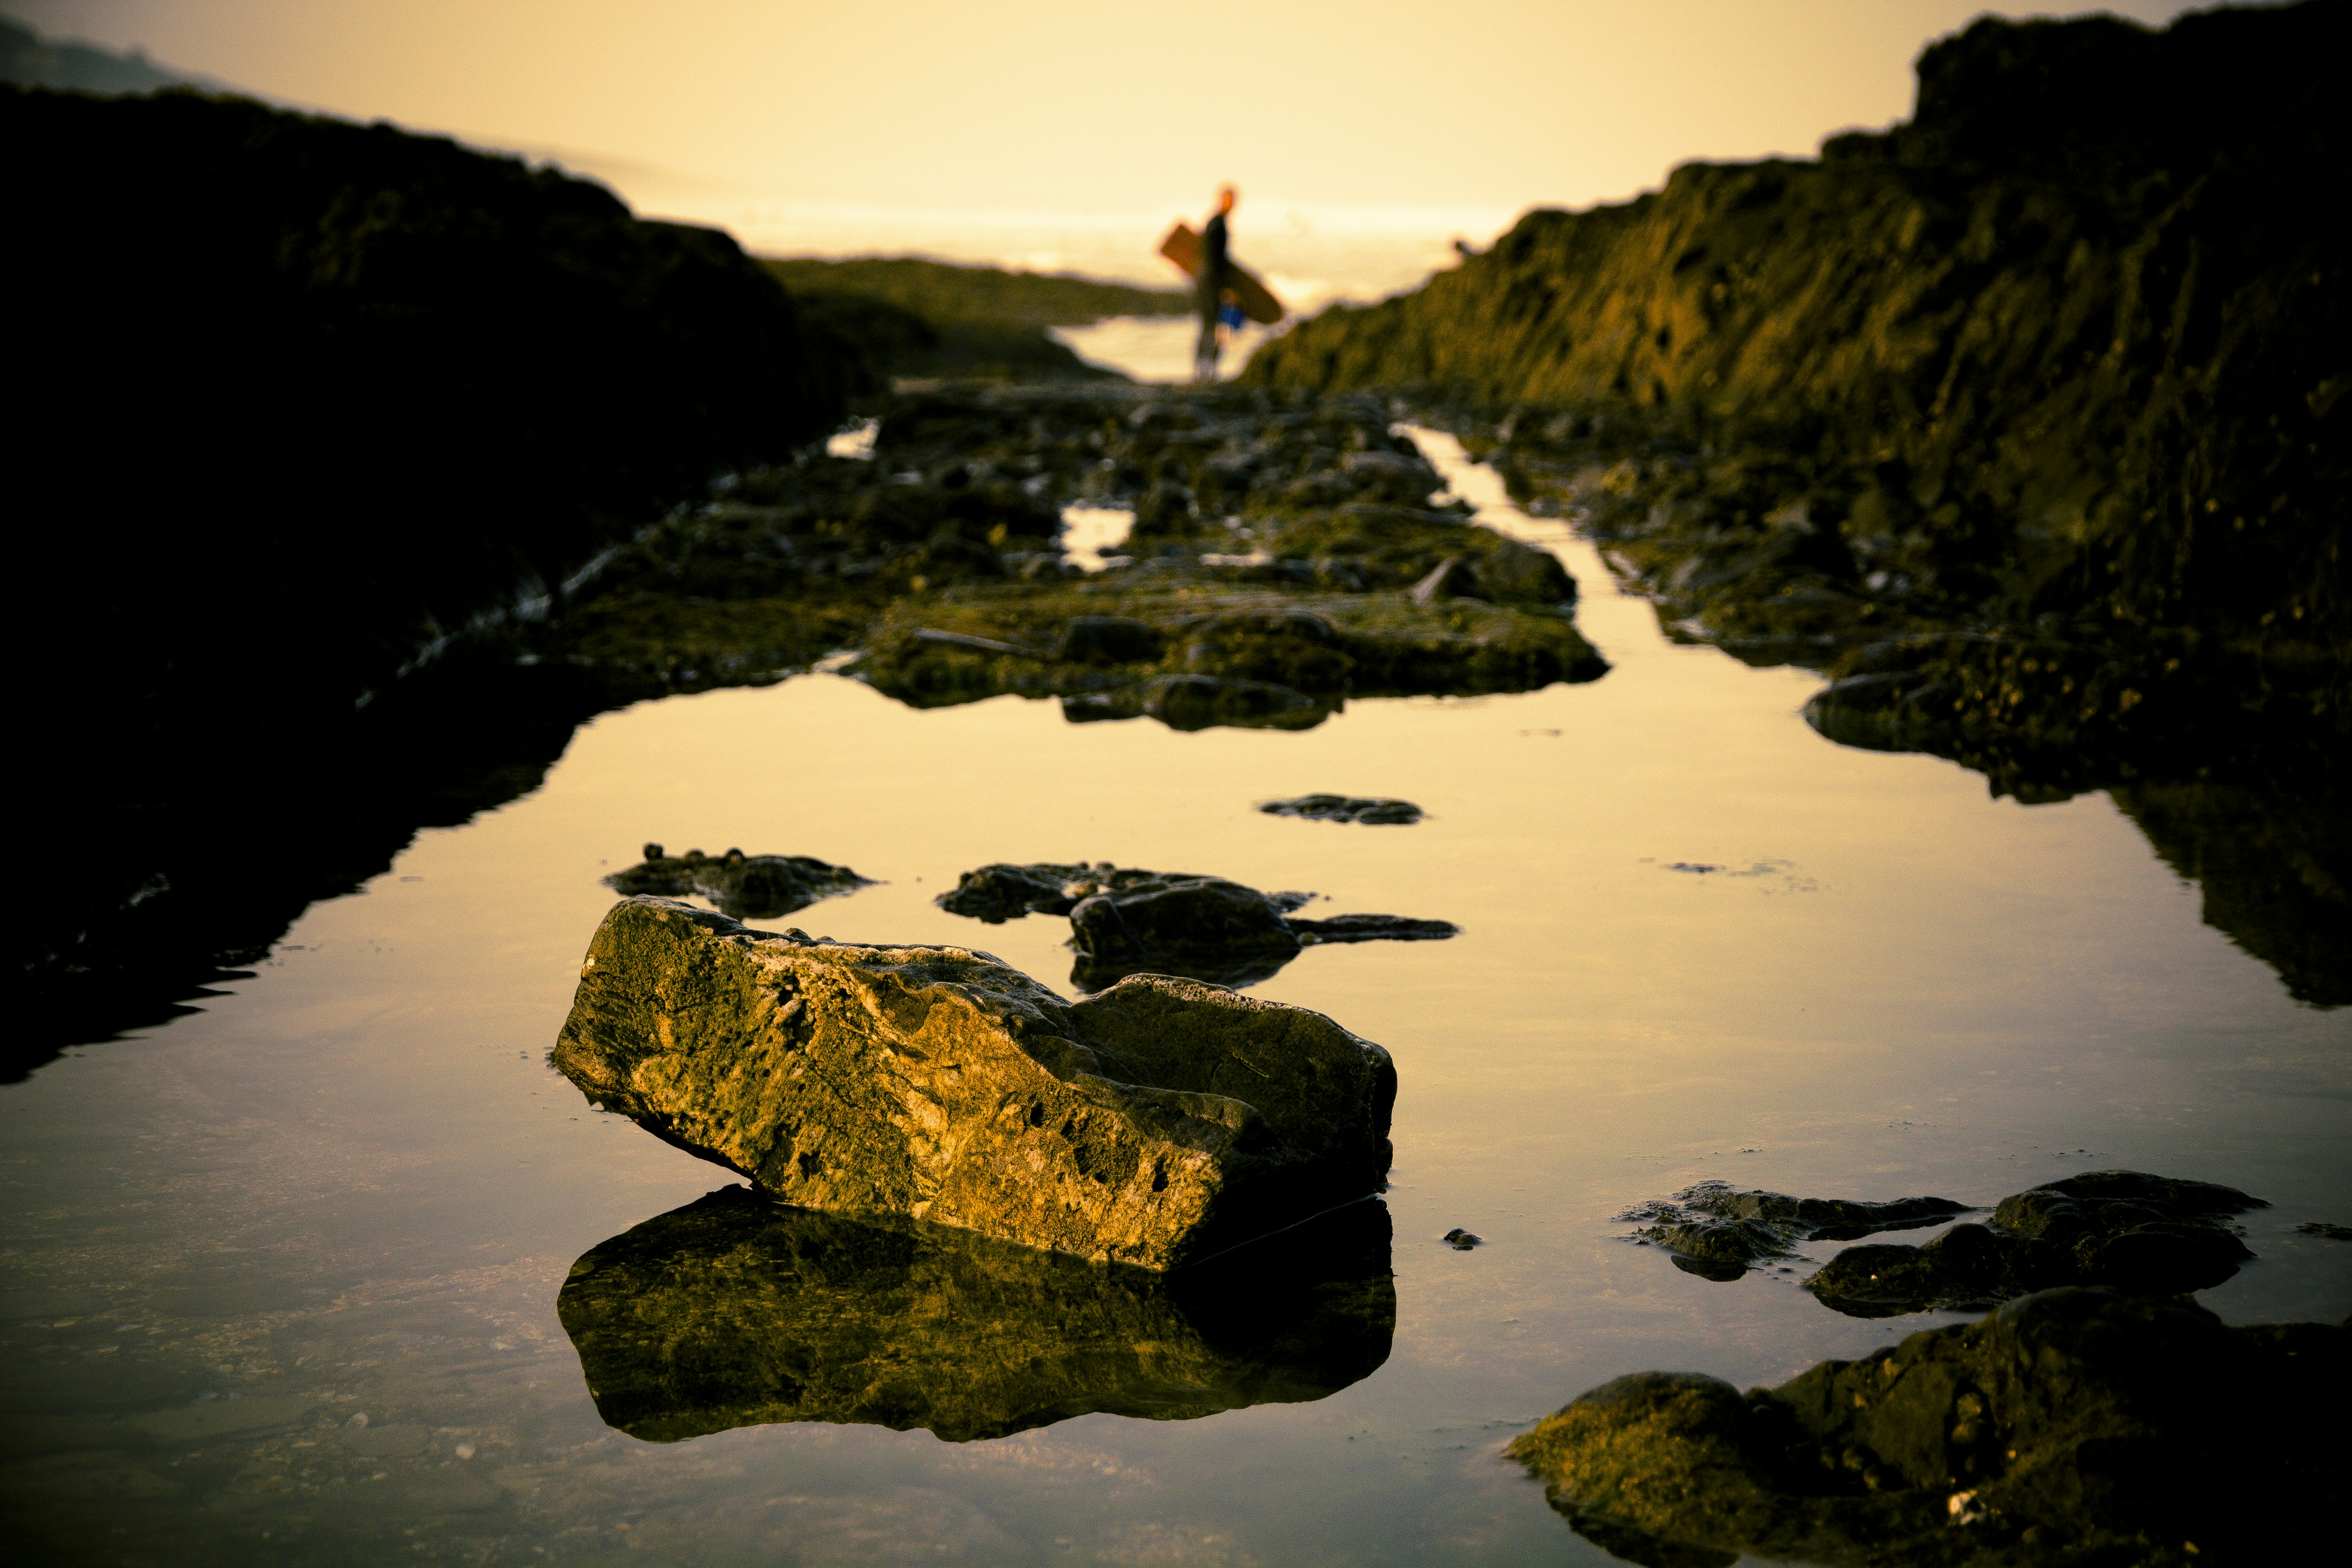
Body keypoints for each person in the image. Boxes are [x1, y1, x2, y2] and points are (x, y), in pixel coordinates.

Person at [1194, 185, 1236, 383]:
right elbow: (1214, 258)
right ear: (1222, 200)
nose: (1233, 205)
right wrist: (1225, 287)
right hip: (1210, 281)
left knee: (1210, 325)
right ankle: (1205, 371)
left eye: (1234, 201)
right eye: (1229, 200)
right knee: (1211, 325)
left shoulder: (1215, 223)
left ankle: (1205, 370)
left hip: (1206, 279)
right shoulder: (1217, 225)